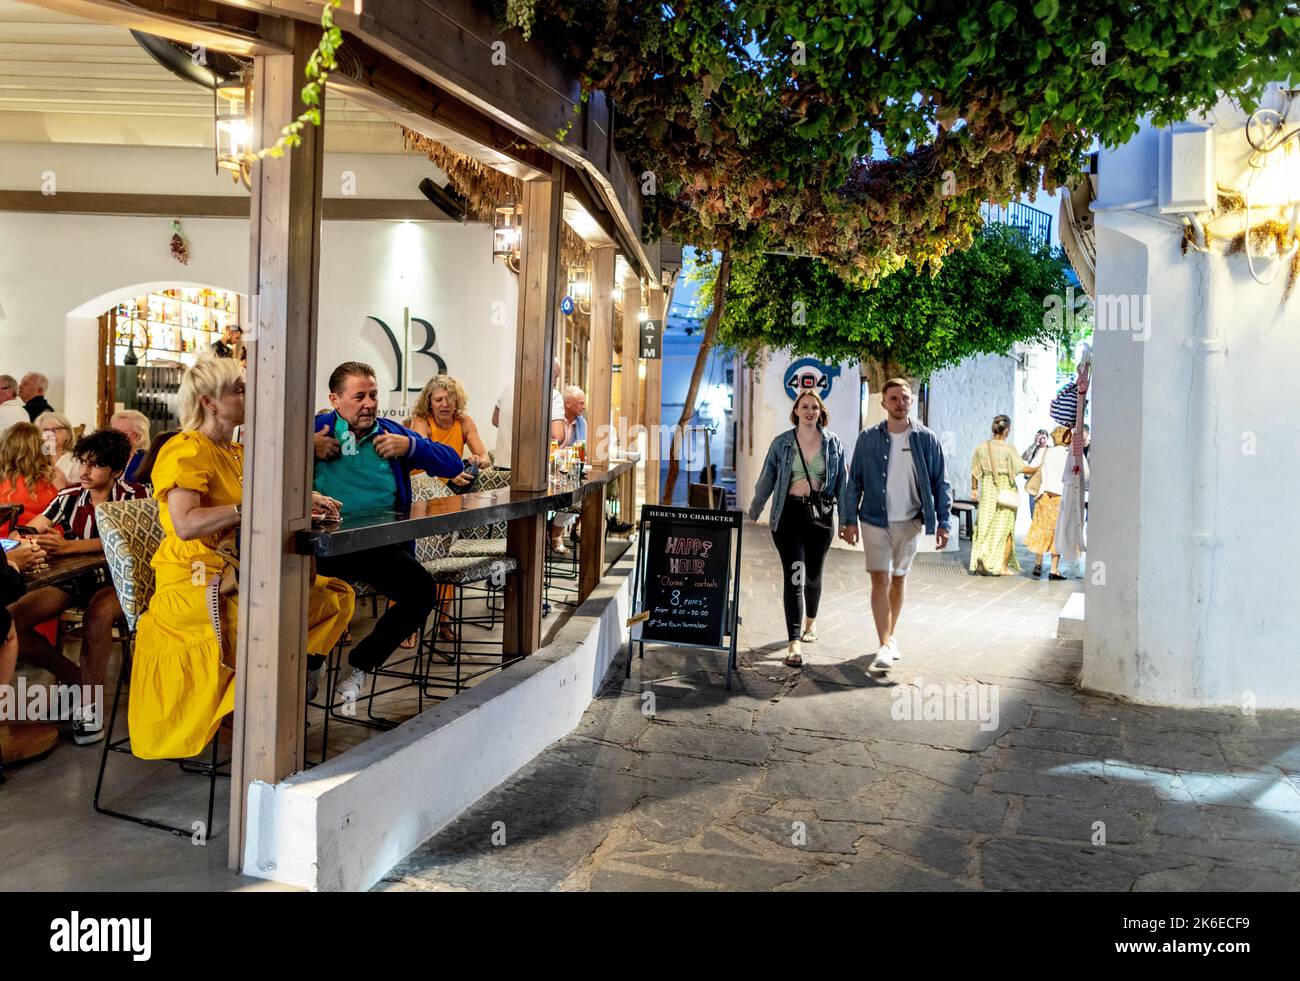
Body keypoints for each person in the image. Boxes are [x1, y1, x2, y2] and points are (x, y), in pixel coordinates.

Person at [129, 357, 354, 760]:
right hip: (192, 583)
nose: (250, 396)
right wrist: (252, 505)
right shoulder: (185, 448)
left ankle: (279, 698)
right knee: (278, 616)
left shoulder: (234, 449)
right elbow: (185, 524)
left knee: (334, 596)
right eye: (239, 389)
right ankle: (260, 715)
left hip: (237, 571)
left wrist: (306, 501)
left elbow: (260, 499)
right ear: (209, 402)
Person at [312, 361, 465, 702]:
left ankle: (361, 667)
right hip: (323, 548)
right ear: (335, 399)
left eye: (373, 395)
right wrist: (306, 448)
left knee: (422, 593)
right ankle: (312, 662)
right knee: (313, 599)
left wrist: (411, 447)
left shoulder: (390, 433)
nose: (369, 403)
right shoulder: (316, 430)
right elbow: (258, 458)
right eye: (359, 396)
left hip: (378, 547)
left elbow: (454, 463)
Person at [4, 428, 146, 744]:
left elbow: (125, 544)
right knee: (11, 620)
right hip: (75, 579)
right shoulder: (69, 497)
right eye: (82, 462)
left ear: (117, 470)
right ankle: (74, 677)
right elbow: (32, 527)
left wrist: (68, 547)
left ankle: (89, 708)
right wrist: (23, 538)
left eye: (94, 465)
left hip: (120, 580)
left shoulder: (135, 497)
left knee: (97, 617)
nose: (84, 471)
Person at [841, 378, 951, 676]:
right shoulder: (867, 439)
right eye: (893, 398)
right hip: (874, 520)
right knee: (880, 579)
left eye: (904, 398)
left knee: (899, 579)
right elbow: (855, 483)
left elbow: (942, 483)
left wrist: (944, 522)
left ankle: (889, 637)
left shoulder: (927, 439)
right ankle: (884, 644)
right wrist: (848, 519)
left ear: (911, 401)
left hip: (911, 522)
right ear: (884, 403)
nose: (899, 403)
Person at [748, 390, 850, 667]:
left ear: (820, 411)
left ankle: (811, 623)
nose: (809, 411)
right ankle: (794, 642)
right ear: (795, 411)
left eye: (814, 407)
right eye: (804, 407)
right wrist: (755, 510)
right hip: (789, 516)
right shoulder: (782, 443)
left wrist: (848, 520)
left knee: (813, 577)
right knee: (794, 576)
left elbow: (842, 482)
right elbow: (766, 479)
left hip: (821, 517)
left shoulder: (833, 443)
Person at [968, 415, 1026, 576]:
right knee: (1005, 528)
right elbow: (1021, 468)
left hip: (987, 489)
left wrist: (974, 489)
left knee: (984, 526)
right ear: (1007, 430)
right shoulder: (1008, 449)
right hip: (1005, 491)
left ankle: (980, 558)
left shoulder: (981, 448)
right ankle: (1001, 566)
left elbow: (974, 471)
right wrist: (1038, 468)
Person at [410, 374, 492, 481]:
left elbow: (484, 455)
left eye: (449, 399)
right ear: (429, 403)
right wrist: (449, 473)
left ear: (457, 402)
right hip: (423, 485)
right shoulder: (421, 421)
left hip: (452, 484)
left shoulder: (465, 422)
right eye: (438, 400)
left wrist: (480, 461)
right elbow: (424, 456)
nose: (445, 404)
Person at [492, 358, 566, 469]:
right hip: (530, 472)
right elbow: (557, 437)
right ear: (546, 371)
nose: (555, 382)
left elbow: (495, 420)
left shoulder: (508, 387)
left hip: (501, 468)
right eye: (555, 377)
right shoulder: (553, 395)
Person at [1024, 425, 1071, 579]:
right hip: (1061, 498)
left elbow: (1030, 466)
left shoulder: (1046, 452)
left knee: (1041, 529)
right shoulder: (1070, 454)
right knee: (1058, 533)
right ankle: (1054, 569)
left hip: (1044, 497)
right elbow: (1086, 474)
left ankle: (1038, 564)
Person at [548, 385, 588, 553]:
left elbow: (582, 449)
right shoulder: (554, 420)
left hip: (569, 470)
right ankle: (554, 534)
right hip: (550, 469)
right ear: (568, 404)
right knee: (570, 496)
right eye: (580, 403)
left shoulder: (581, 422)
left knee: (579, 495)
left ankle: (555, 532)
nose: (583, 406)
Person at [0, 422, 60, 524]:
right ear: (39, 450)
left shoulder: (4, 482)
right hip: (42, 537)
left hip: (6, 537)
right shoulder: (52, 478)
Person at [34, 411, 81, 487]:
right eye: (46, 430)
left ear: (68, 435)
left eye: (57, 429)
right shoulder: (31, 460)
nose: (51, 434)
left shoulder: (76, 462)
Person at [110, 409, 151, 483]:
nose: (114, 436)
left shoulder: (147, 461)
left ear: (138, 436)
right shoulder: (104, 457)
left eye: (121, 433)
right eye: (112, 431)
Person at [1021, 428, 1049, 518]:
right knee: (1033, 512)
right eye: (1040, 438)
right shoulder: (1034, 449)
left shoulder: (1051, 450)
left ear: (1047, 438)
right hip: (1033, 484)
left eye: (1044, 438)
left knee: (1044, 512)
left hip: (1046, 484)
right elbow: (1024, 456)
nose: (1042, 440)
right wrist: (1034, 443)